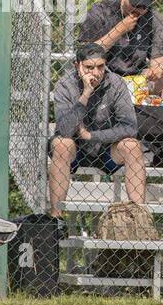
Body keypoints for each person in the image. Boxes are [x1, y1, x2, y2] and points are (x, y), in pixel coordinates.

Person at [48, 43, 147, 217]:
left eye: (100, 66)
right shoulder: (65, 84)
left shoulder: (116, 82)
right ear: (77, 65)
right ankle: (57, 218)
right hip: (75, 150)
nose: (95, 72)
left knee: (132, 145)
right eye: (89, 67)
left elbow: (130, 127)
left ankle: (140, 216)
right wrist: (86, 93)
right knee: (62, 144)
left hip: (105, 148)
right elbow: (64, 130)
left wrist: (92, 135)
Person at [76, 0, 163, 101]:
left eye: (144, 6)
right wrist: (120, 29)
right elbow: (87, 54)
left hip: (138, 77)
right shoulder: (101, 11)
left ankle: (158, 119)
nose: (139, 10)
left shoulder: (153, 17)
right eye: (135, 4)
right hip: (104, 74)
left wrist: (157, 69)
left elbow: (159, 57)